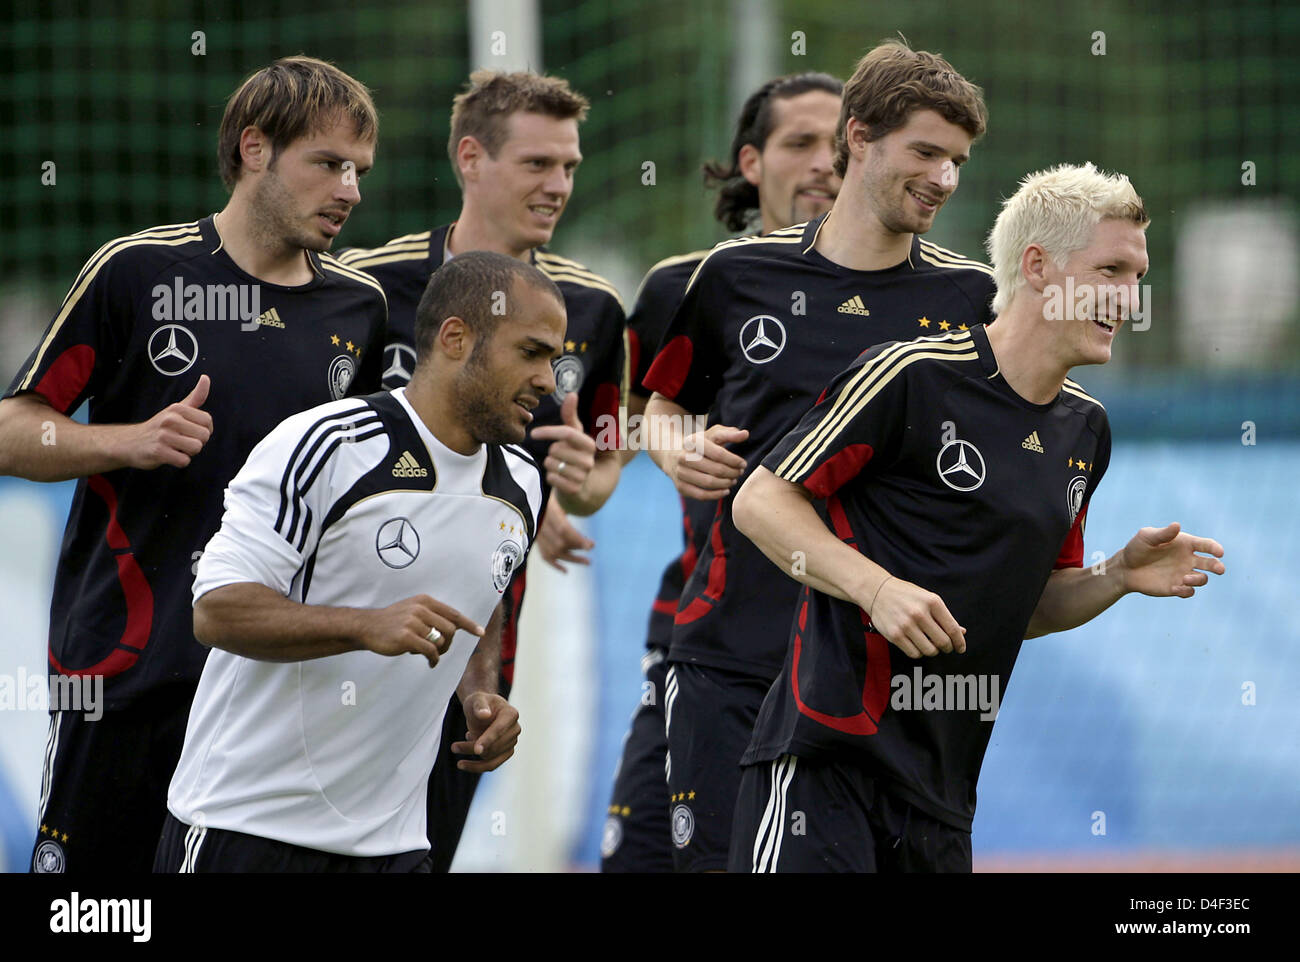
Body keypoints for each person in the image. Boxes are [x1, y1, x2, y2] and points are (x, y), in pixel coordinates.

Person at [729, 161, 1225, 872]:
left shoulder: (1086, 430)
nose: (1130, 298)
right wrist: (876, 589)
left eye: (1138, 277)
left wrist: (1115, 575)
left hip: (944, 799)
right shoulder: (911, 375)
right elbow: (760, 500)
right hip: (826, 764)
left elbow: (1030, 605)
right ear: (1039, 267)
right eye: (1111, 271)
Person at [0, 56, 386, 874]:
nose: (350, 190)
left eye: (359, 170)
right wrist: (125, 441)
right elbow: (11, 431)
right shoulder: (137, 272)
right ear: (255, 148)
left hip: (267, 695)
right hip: (121, 679)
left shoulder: (361, 308)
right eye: (328, 163)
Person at [641, 40, 991, 871]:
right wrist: (674, 449)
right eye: (926, 153)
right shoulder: (737, 274)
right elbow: (662, 406)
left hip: (875, 681)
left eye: (957, 161)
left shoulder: (972, 299)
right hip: (730, 656)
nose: (945, 178)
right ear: (859, 137)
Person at [154, 251, 555, 872]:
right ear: (456, 338)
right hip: (246, 826)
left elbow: (483, 597)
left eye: (553, 359)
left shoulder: (522, 483)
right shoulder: (327, 444)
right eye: (531, 352)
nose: (549, 380)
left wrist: (481, 695)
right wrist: (365, 626)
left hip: (394, 846)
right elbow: (217, 611)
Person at [338, 69, 626, 872]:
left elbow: (603, 471)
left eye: (569, 165)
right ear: (471, 158)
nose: (559, 184)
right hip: (349, 620)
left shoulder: (594, 309)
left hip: (478, 632)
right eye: (537, 163)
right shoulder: (366, 285)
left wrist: (575, 486)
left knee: (426, 848)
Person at [600, 71, 844, 873]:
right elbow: (627, 424)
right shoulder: (685, 287)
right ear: (751, 161)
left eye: (839, 144)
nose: (824, 162)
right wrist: (593, 475)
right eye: (800, 142)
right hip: (706, 632)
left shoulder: (920, 299)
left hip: (846, 641)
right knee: (641, 856)